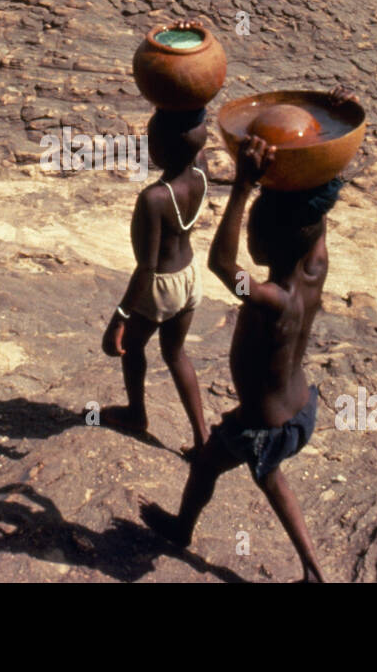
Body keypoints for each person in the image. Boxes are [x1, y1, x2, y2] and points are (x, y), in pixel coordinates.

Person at [141, 88, 355, 582]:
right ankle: (182, 527)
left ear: (269, 243)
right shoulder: (315, 265)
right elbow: (314, 208)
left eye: (254, 232)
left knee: (267, 479)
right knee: (209, 465)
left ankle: (312, 570)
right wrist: (329, 130)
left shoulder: (269, 298)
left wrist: (242, 188)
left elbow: (221, 264)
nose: (250, 239)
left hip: (265, 426)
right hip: (298, 408)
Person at [101, 108, 211, 459]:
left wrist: (120, 315)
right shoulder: (201, 173)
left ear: (160, 150)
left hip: (160, 285)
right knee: (175, 353)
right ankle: (203, 436)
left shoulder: (154, 198)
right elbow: (194, 131)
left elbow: (146, 267)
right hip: (191, 277)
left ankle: (136, 414)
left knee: (131, 348)